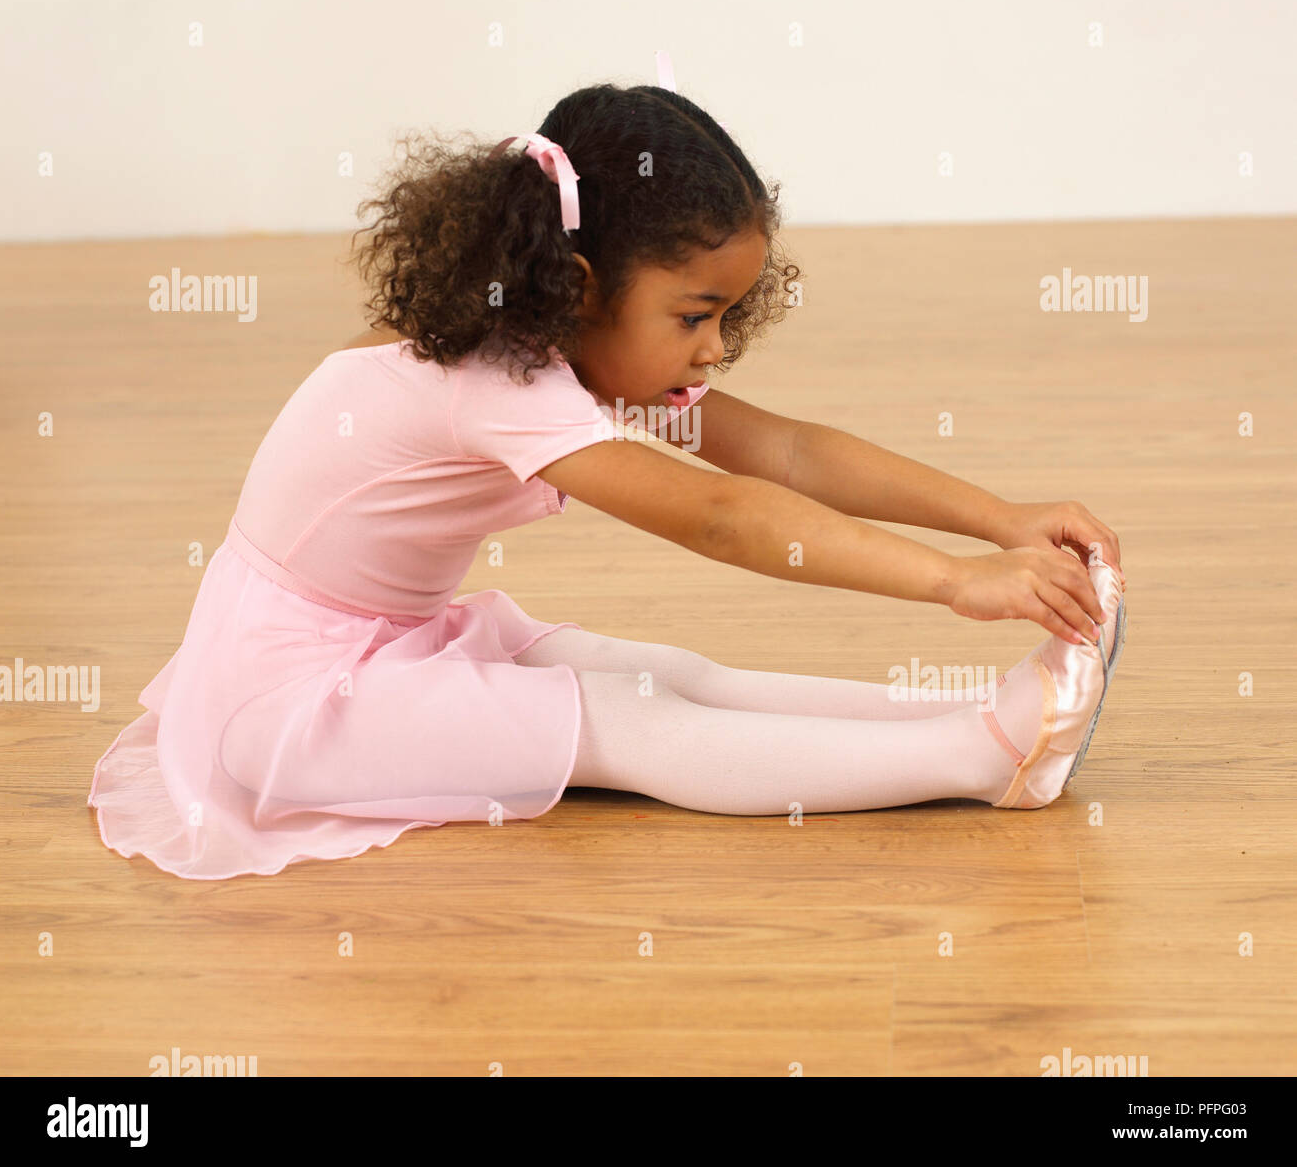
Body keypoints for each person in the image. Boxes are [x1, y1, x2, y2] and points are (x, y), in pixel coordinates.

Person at [88, 80, 1127, 881]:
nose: (715, 349)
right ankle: (981, 757)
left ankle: (982, 717)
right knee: (626, 722)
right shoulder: (492, 378)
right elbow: (723, 517)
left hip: (385, 639)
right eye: (694, 315)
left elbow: (786, 454)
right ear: (581, 287)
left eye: (725, 315)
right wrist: (953, 581)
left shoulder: (556, 341)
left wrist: (1000, 520)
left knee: (666, 672)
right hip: (290, 701)